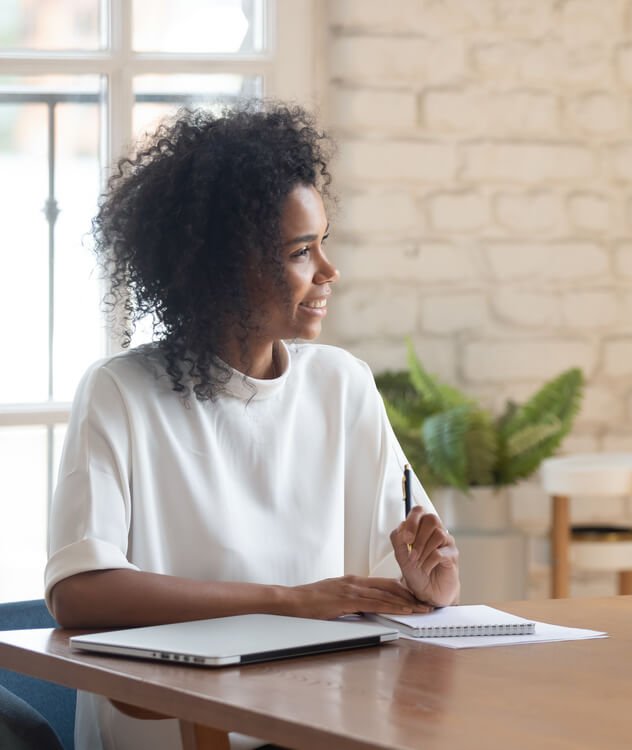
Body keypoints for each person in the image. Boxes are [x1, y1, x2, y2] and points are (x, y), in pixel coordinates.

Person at [44, 102, 459, 748]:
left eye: (324, 243)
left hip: (319, 724)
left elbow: (393, 572)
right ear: (229, 268)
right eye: (301, 252)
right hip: (174, 732)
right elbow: (79, 592)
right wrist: (289, 600)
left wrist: (431, 585)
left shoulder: (341, 385)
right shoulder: (121, 393)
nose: (328, 270)